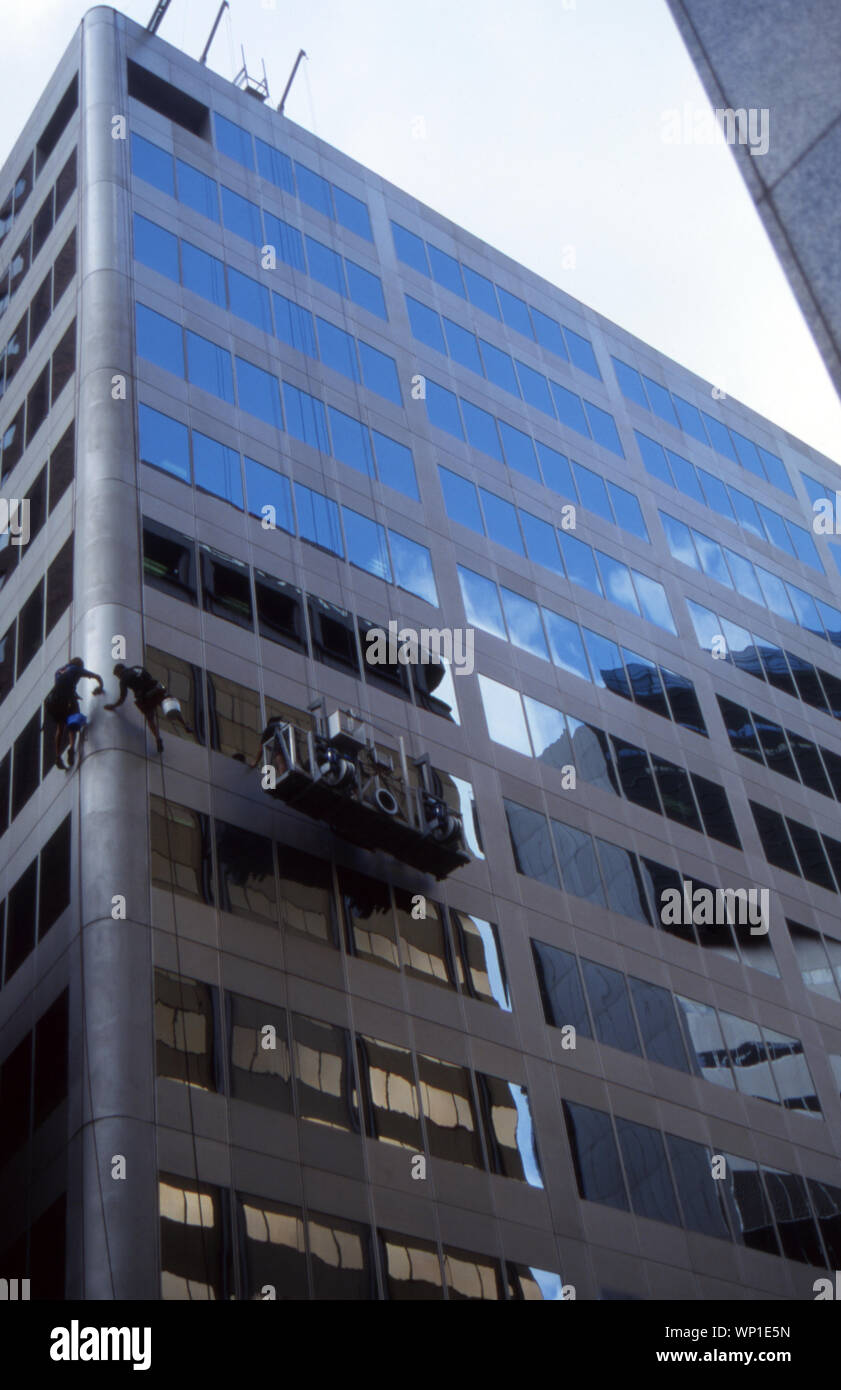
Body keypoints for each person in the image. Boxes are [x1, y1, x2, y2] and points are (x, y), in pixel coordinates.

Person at [104, 663, 192, 753]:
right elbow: (148, 675)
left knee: (150, 719)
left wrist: (113, 706)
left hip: (144, 698)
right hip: (156, 689)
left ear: (119, 671)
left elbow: (122, 698)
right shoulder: (137, 667)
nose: (118, 677)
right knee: (169, 704)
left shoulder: (123, 680)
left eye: (117, 675)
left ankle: (158, 738)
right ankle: (185, 724)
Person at [45, 657, 105, 770]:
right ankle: (72, 748)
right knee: (73, 721)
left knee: (60, 727)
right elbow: (97, 677)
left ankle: (58, 756)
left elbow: (62, 686)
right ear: (80, 665)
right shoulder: (77, 669)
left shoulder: (59, 670)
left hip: (53, 702)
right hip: (67, 701)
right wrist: (100, 687)